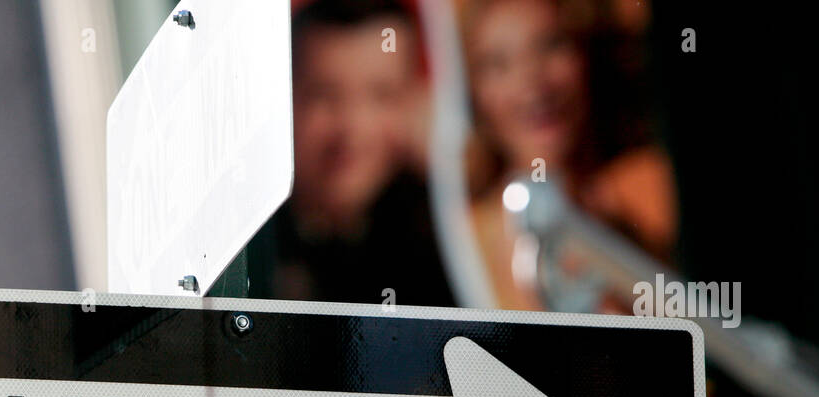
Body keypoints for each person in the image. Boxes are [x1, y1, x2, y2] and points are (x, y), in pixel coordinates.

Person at [460, 0, 677, 310]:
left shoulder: (645, 197)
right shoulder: (464, 243)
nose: (532, 81)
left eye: (550, 45)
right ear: (473, 95)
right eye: (498, 64)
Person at [271, 0, 458, 307]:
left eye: (382, 94)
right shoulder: (247, 245)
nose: (353, 127)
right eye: (324, 94)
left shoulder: (445, 231)